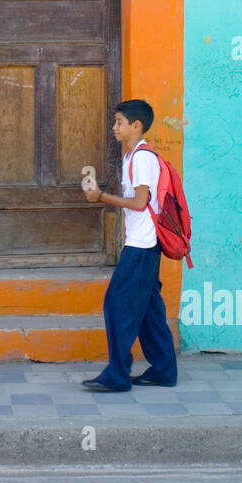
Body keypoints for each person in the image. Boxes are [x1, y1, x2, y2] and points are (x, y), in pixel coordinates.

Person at [80, 98, 178, 391]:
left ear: (136, 126)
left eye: (119, 122)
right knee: (148, 309)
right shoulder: (131, 156)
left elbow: (139, 202)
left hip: (142, 246)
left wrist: (101, 198)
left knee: (117, 304)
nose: (115, 127)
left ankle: (118, 374)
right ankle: (163, 370)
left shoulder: (142, 158)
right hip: (143, 244)